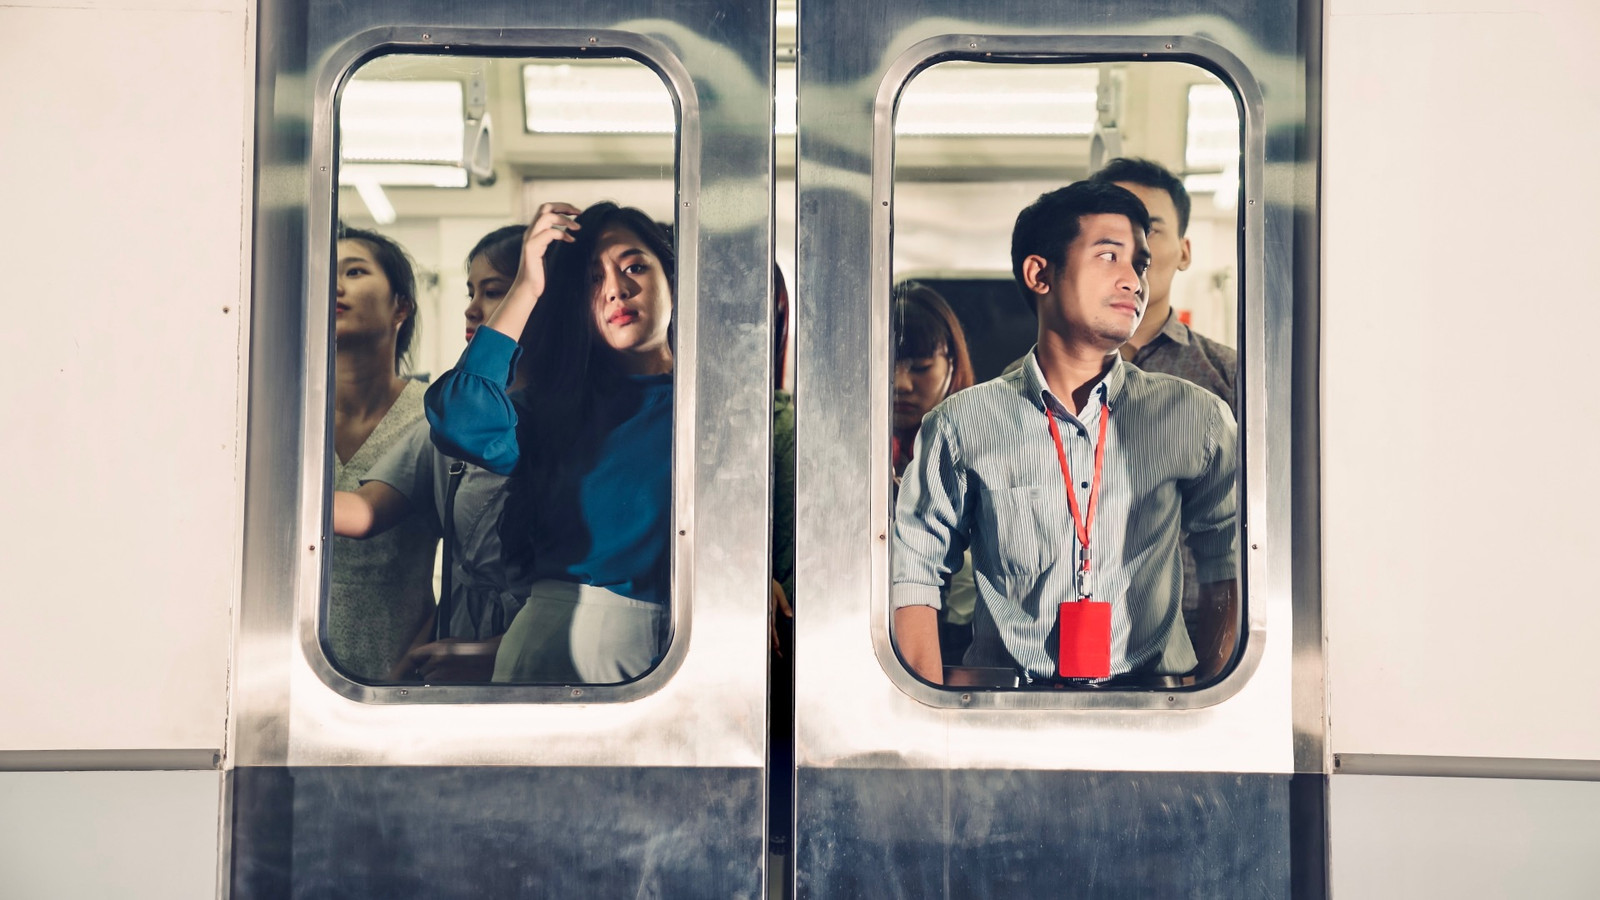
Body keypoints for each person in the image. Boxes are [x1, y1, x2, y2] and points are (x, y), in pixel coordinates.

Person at [891, 181, 1238, 686]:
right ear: (1040, 274)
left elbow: (1229, 566)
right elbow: (914, 576)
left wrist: (1208, 699)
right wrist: (927, 711)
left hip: (1157, 708)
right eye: (1109, 256)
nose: (1133, 281)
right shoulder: (962, 423)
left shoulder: (1195, 417)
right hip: (1007, 708)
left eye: (1140, 264)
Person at [426, 201, 675, 684]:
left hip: (684, 653)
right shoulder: (554, 410)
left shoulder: (715, 406)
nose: (616, 289)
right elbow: (459, 415)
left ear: (671, 278)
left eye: (634, 267)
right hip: (558, 652)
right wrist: (527, 286)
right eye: (592, 279)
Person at [332, 224, 531, 683]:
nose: (471, 308)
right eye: (471, 292)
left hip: (514, 663)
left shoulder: (433, 414)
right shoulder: (284, 420)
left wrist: (500, 651)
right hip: (424, 662)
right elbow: (363, 512)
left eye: (494, 292)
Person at [327, 224, 436, 681]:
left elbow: (470, 569)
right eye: (325, 271)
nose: (334, 285)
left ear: (401, 307)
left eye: (354, 271)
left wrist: (413, 665)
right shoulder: (285, 418)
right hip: (286, 667)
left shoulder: (434, 415)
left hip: (401, 673)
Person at [1088, 157, 1236, 414]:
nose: (1131, 247)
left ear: (1184, 253)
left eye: (1150, 230)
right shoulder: (1037, 376)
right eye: (1113, 229)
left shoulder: (1229, 375)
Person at [890, 282, 978, 666]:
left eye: (921, 368)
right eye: (889, 366)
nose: (902, 384)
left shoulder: (982, 444)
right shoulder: (848, 452)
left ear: (952, 364)